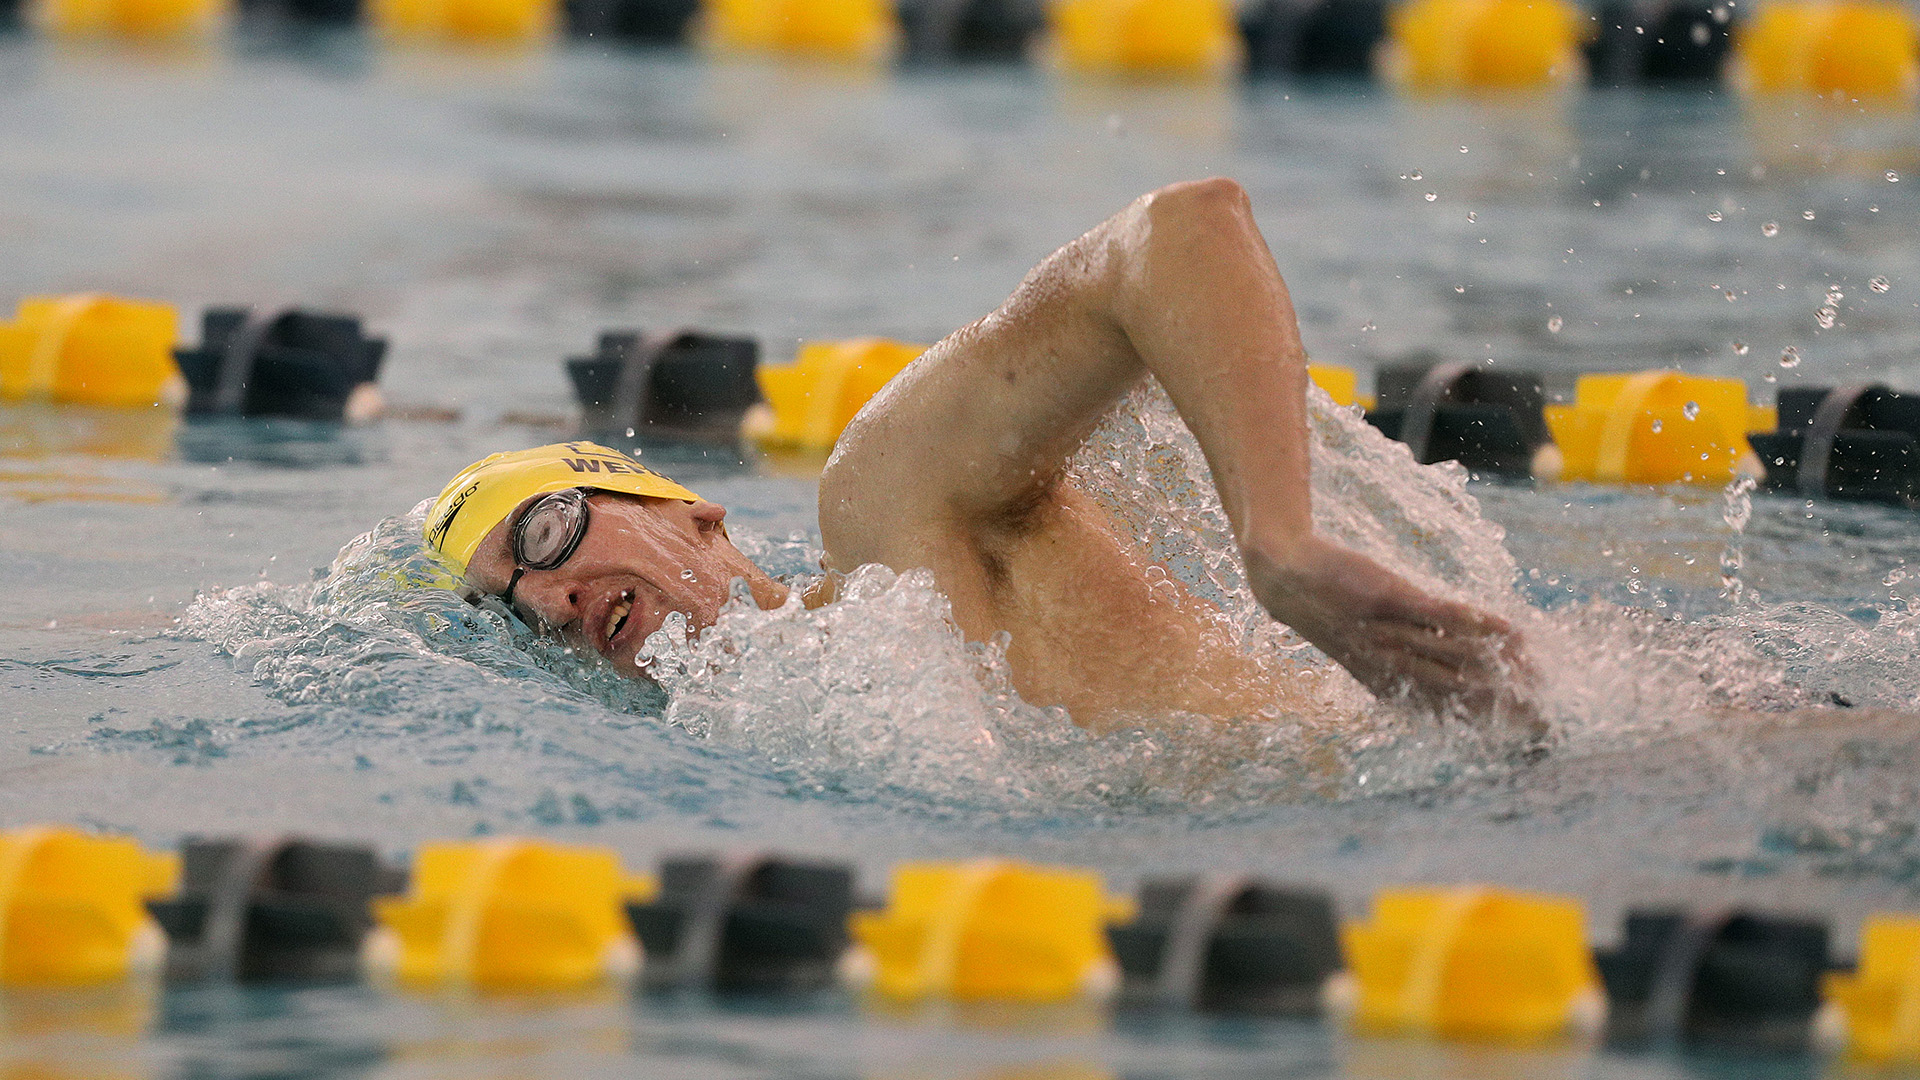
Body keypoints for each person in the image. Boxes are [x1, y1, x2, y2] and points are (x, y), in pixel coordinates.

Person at [425, 178, 1532, 731]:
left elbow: (1178, 232)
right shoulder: (773, 746)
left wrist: (1281, 546)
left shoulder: (890, 515)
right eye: (515, 608)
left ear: (685, 509)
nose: (554, 597)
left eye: (545, 533)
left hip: (1500, 751)